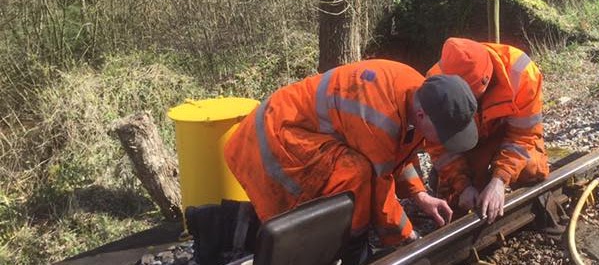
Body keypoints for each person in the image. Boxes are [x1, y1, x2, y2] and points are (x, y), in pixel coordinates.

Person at [224, 60, 478, 263]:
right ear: (422, 115)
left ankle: (217, 224)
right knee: (347, 180)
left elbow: (398, 155)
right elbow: (380, 185)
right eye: (445, 133)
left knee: (320, 210)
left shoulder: (416, 92)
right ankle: (354, 252)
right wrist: (406, 237)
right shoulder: (381, 118)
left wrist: (420, 195)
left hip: (292, 130)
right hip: (273, 137)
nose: (445, 142)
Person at [425, 37, 549, 223]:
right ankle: (447, 179)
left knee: (533, 169)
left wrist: (499, 180)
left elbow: (524, 135)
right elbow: (439, 147)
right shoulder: (435, 86)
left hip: (506, 131)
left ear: (486, 79)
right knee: (453, 200)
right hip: (469, 143)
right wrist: (463, 185)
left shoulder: (522, 73)